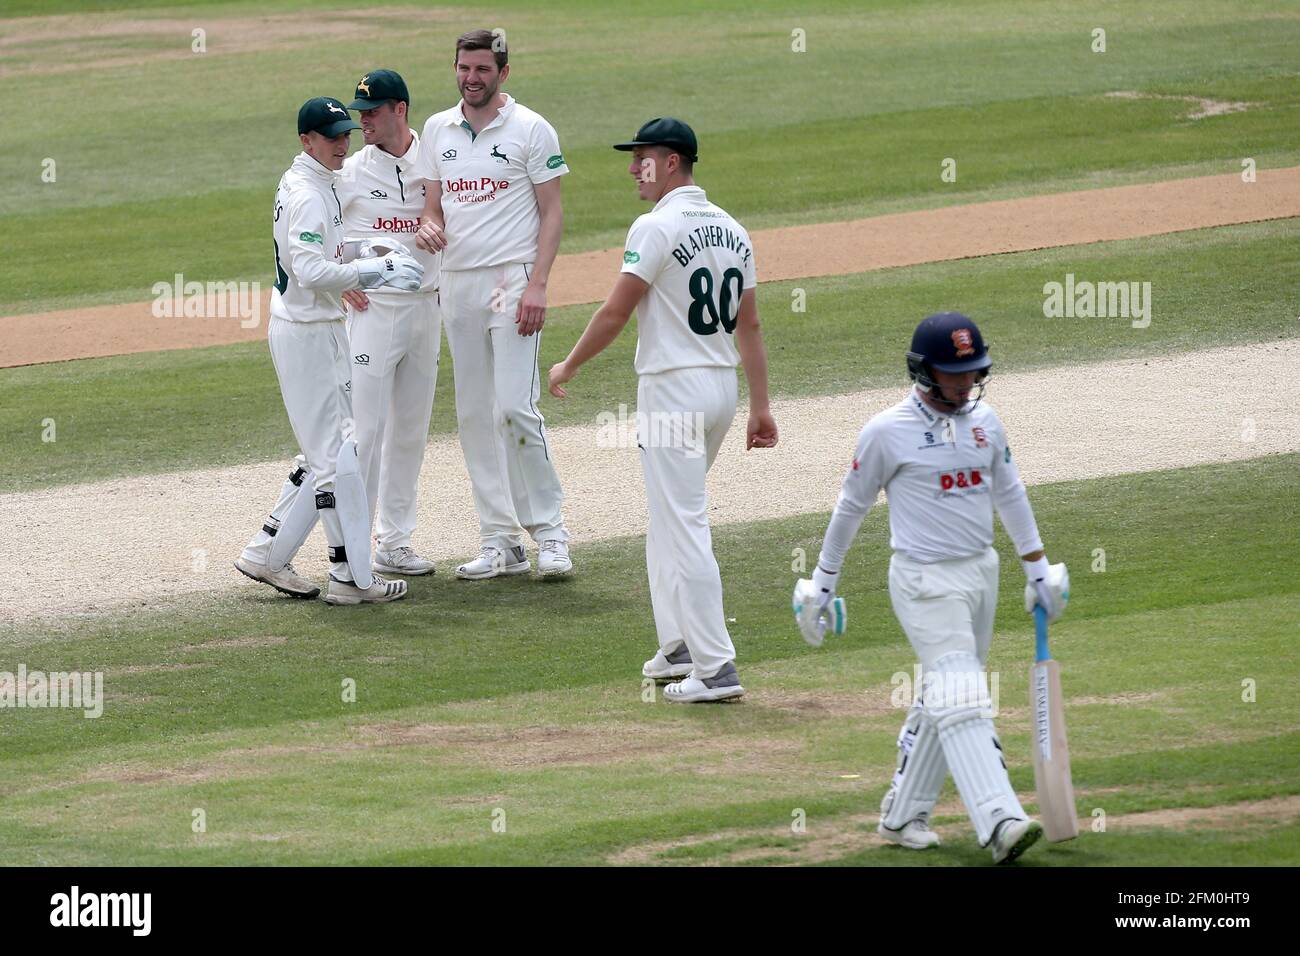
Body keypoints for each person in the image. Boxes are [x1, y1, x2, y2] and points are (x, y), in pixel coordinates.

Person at [794, 312, 1070, 863]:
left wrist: (1038, 569)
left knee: (944, 698)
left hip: (981, 572)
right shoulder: (884, 432)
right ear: (923, 372)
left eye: (973, 372)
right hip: (922, 579)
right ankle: (1000, 818)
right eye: (954, 374)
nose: (966, 383)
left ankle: (903, 814)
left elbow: (1009, 492)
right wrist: (821, 583)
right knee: (964, 694)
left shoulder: (988, 422)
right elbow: (851, 507)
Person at [548, 118, 778, 703]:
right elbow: (747, 324)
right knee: (672, 516)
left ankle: (716, 666)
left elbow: (613, 313)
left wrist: (568, 366)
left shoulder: (656, 227)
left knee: (685, 523)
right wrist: (760, 405)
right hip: (719, 390)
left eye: (641, 158)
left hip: (672, 395)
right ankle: (676, 644)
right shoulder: (733, 229)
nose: (633, 168)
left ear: (671, 161)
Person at [233, 96, 424, 606]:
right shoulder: (308, 194)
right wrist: (374, 272)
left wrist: (368, 250)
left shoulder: (319, 182)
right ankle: (350, 578)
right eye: (332, 136)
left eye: (345, 134)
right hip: (306, 332)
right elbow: (309, 270)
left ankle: (268, 554)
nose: (343, 143)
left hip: (316, 327)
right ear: (306, 141)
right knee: (334, 459)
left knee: (333, 453)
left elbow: (328, 252)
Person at [413, 29, 572, 579]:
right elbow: (433, 208)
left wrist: (539, 284)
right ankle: (500, 540)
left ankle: (551, 532)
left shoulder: (530, 128)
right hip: (457, 283)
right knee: (474, 415)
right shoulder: (437, 129)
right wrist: (429, 226)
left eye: (482, 69)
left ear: (503, 73)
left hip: (512, 278)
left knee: (514, 406)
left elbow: (551, 213)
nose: (471, 78)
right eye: (463, 68)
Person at [336, 69, 443, 577]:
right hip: (373, 309)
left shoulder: (435, 159)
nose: (364, 122)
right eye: (360, 113)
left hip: (428, 304)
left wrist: (434, 222)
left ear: (400, 109)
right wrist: (341, 279)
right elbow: (320, 232)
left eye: (372, 111)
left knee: (411, 430)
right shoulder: (353, 172)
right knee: (367, 429)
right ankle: (353, 544)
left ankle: (394, 542)